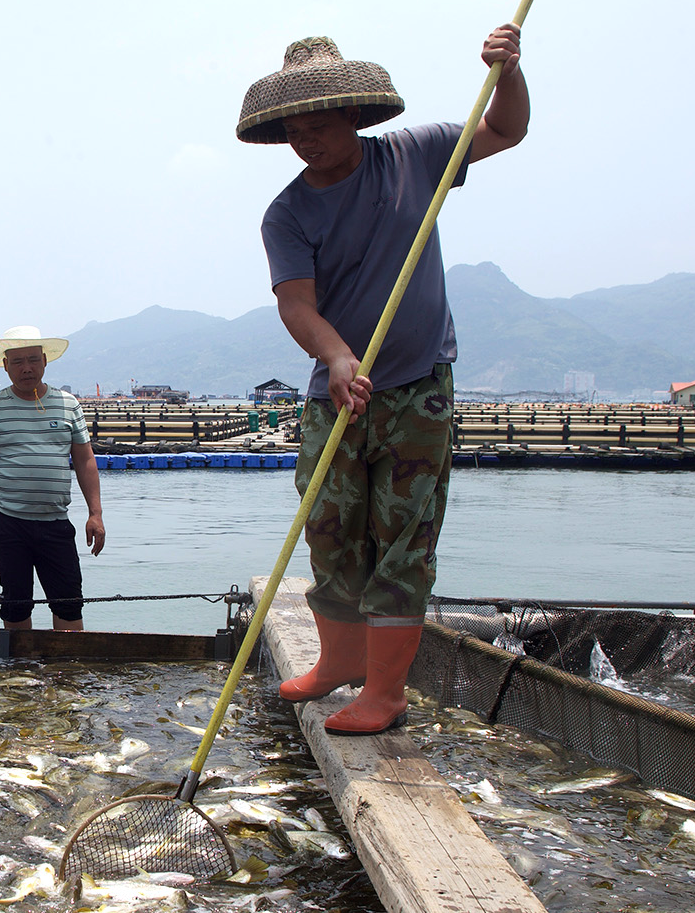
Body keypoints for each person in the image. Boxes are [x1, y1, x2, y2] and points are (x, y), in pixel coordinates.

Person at [237, 25, 528, 734]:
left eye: (317, 125)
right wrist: (337, 357)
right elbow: (296, 304)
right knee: (329, 529)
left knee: (403, 536)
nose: (306, 141)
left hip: (415, 387)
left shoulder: (415, 154)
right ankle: (338, 660)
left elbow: (505, 129)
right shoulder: (287, 213)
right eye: (293, 132)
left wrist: (509, 72)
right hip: (336, 394)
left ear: (352, 113)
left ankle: (385, 692)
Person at [0, 326, 106, 630]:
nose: (26, 368)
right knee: (16, 605)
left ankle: (67, 661)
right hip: (7, 521)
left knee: (69, 603)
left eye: (32, 360)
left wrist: (95, 514)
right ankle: (18, 662)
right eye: (17, 362)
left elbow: (85, 460)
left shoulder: (68, 404)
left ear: (44, 361)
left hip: (55, 521)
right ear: (5, 366)